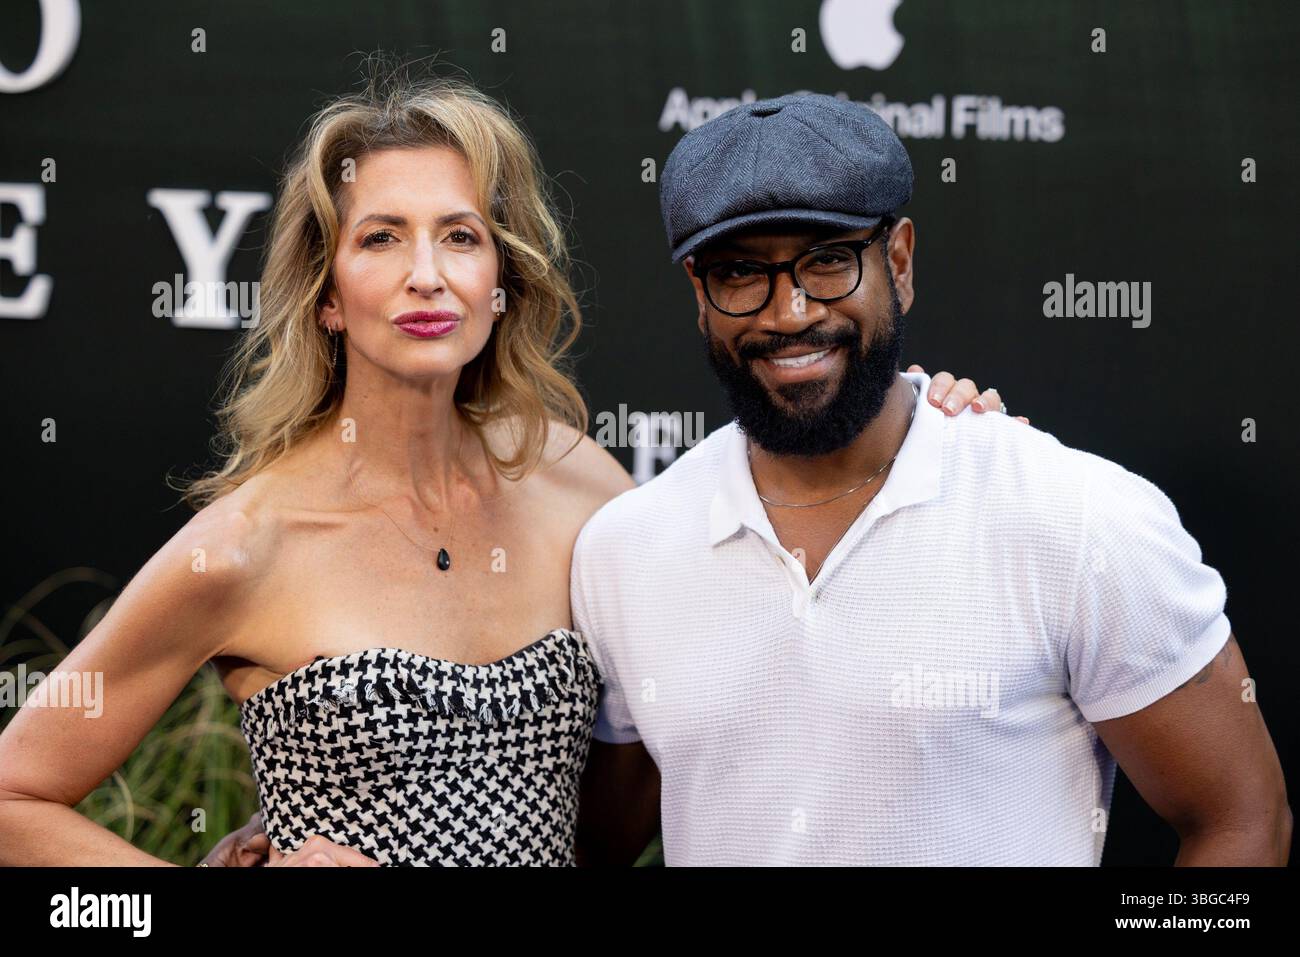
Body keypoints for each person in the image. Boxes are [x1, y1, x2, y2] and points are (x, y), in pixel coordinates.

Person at [0, 73, 1000, 867]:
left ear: (500, 281)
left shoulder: (582, 486)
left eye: (460, 237)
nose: (426, 274)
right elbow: (13, 799)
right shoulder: (244, 547)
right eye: (381, 238)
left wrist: (933, 424)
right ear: (328, 295)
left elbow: (765, 575)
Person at [571, 93, 1291, 866]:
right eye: (741, 271)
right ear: (699, 295)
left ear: (900, 263)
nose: (790, 310)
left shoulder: (1076, 516)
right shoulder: (625, 548)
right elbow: (593, 842)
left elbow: (1243, 821)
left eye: (828, 258)